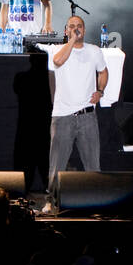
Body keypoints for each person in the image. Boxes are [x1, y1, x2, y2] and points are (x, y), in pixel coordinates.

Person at [43, 14, 108, 212]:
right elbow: (58, 61)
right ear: (66, 30)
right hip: (63, 115)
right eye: (71, 26)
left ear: (85, 30)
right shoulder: (56, 49)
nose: (76, 29)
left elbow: (103, 72)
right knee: (57, 164)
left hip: (87, 114)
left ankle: (95, 202)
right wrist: (71, 40)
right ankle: (51, 201)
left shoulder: (94, 51)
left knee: (92, 164)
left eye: (79, 26)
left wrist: (100, 91)